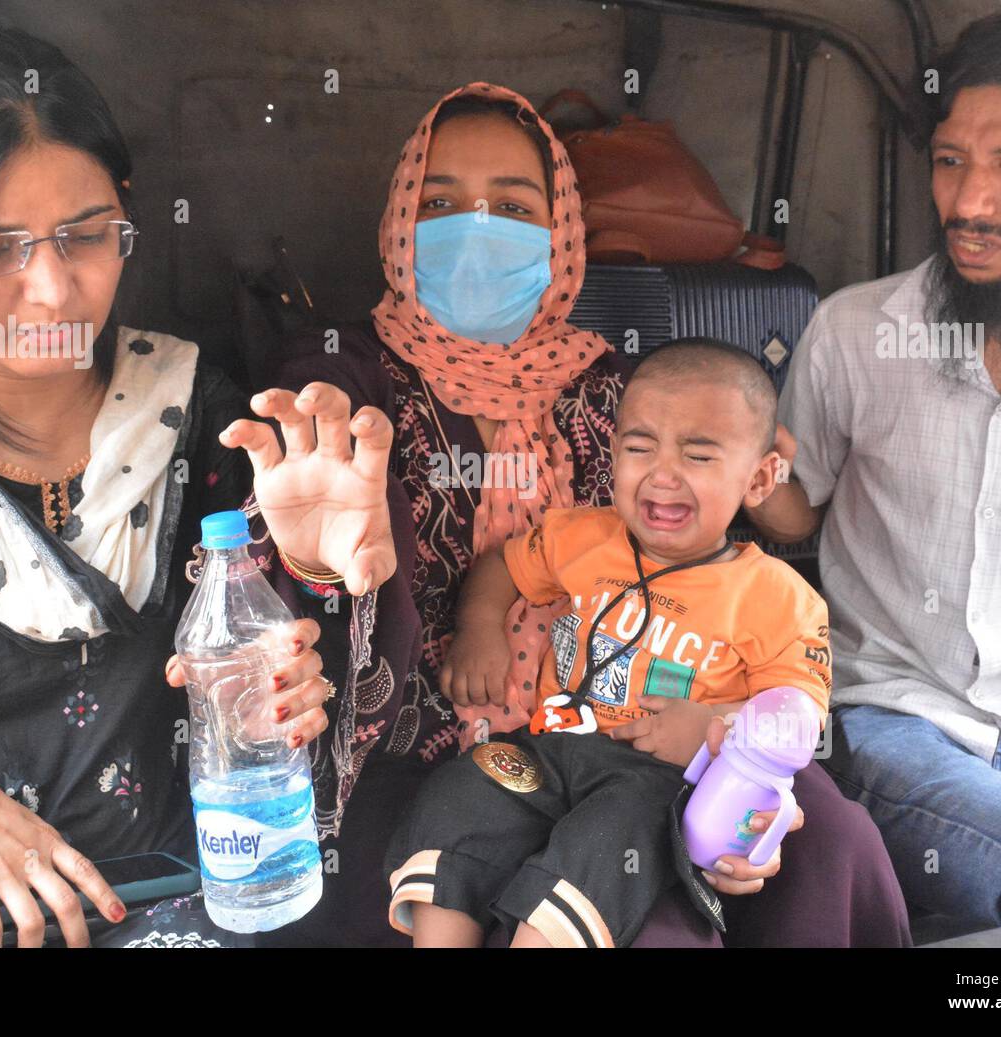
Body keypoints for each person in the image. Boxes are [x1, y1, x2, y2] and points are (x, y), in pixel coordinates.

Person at [224, 83, 911, 946]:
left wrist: (734, 748)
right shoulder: (345, 375)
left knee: (825, 836)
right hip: (423, 730)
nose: (476, 227)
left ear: (560, 233)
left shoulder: (619, 387)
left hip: (648, 722)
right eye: (440, 203)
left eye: (512, 206)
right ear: (399, 223)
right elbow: (286, 555)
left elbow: (763, 532)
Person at [0, 23, 330, 948]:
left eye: (85, 236)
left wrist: (313, 615)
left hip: (162, 906)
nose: (54, 292)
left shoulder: (196, 414)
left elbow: (273, 689)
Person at [747, 12, 1001, 930]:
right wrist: (758, 486)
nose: (967, 202)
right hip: (888, 729)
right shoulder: (852, 331)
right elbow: (801, 519)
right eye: (950, 159)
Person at [384, 339, 834, 948]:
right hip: (550, 748)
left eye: (698, 456)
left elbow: (798, 717)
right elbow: (503, 567)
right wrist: (480, 628)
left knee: (610, 838)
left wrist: (716, 725)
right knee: (465, 787)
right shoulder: (581, 537)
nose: (662, 475)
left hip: (659, 779)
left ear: (756, 478)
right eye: (638, 447)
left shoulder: (780, 597)